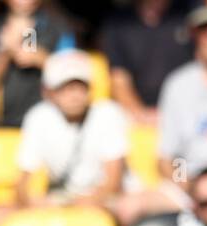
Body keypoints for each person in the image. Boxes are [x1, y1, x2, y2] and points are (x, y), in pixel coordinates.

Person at [14, 50, 129, 213]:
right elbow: (21, 184)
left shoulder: (107, 113)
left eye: (80, 87)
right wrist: (35, 203)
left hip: (104, 204)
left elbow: (113, 184)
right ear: (49, 92)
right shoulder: (38, 118)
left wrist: (69, 205)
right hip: (66, 201)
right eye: (66, 88)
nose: (74, 95)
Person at [156, 5, 207, 201]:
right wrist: (186, 185)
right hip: (192, 187)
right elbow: (170, 156)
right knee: (132, 208)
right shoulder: (178, 85)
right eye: (206, 30)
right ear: (195, 36)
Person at [0, 0, 75, 129]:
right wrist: (6, 52)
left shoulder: (58, 26)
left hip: (48, 120)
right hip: (3, 123)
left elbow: (73, 72)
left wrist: (42, 59)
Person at [101, 0, 191, 127]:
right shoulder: (119, 22)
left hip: (186, 110)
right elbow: (119, 78)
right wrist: (141, 114)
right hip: (135, 114)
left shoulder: (188, 13)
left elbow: (204, 70)